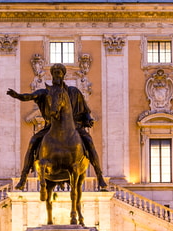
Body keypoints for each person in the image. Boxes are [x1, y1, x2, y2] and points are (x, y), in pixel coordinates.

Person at [7, 63, 110, 192]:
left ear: (63, 74)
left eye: (59, 72)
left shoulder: (74, 92)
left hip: (74, 127)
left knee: (89, 142)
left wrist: (88, 119)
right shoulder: (46, 92)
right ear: (52, 74)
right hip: (51, 127)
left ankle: (100, 176)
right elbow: (31, 96)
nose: (56, 74)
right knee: (33, 141)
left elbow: (85, 109)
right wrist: (17, 96)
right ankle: (23, 177)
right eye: (54, 72)